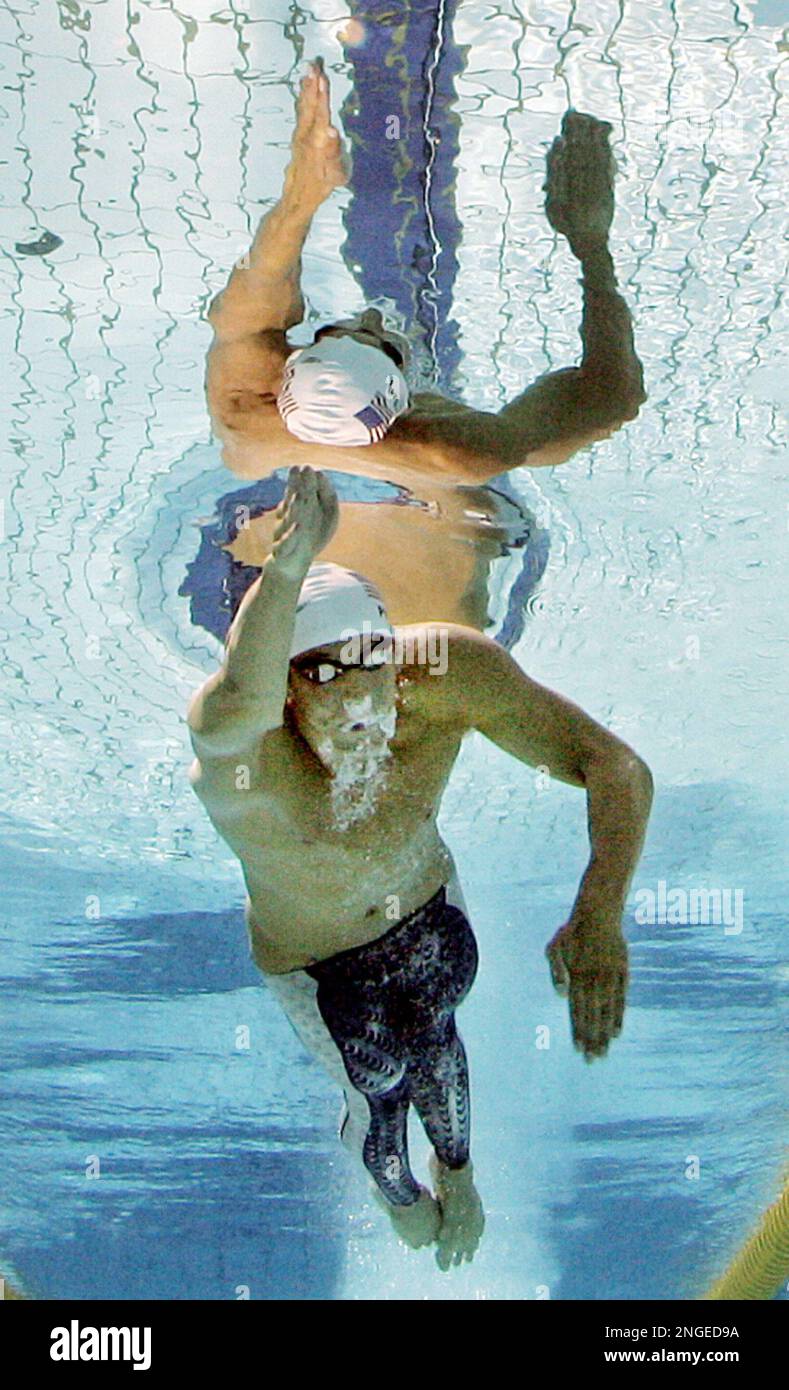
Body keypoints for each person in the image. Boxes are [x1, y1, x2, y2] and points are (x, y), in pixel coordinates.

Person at [187, 466, 654, 1267]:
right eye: (321, 672)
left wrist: (599, 909)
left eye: (370, 657)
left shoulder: (440, 677)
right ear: (284, 692)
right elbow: (234, 699)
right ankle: (399, 1197)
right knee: (380, 1090)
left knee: (437, 1038)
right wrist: (289, 566)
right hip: (316, 964)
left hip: (432, 911)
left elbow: (615, 766)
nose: (356, 691)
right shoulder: (247, 759)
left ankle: (462, 1175)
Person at [205, 61, 646, 485]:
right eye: (385, 344)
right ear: (403, 400)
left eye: (333, 332)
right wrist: (590, 246)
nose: (371, 317)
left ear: (290, 372)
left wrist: (301, 195)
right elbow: (615, 394)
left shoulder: (244, 407)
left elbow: (258, 283)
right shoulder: (454, 449)